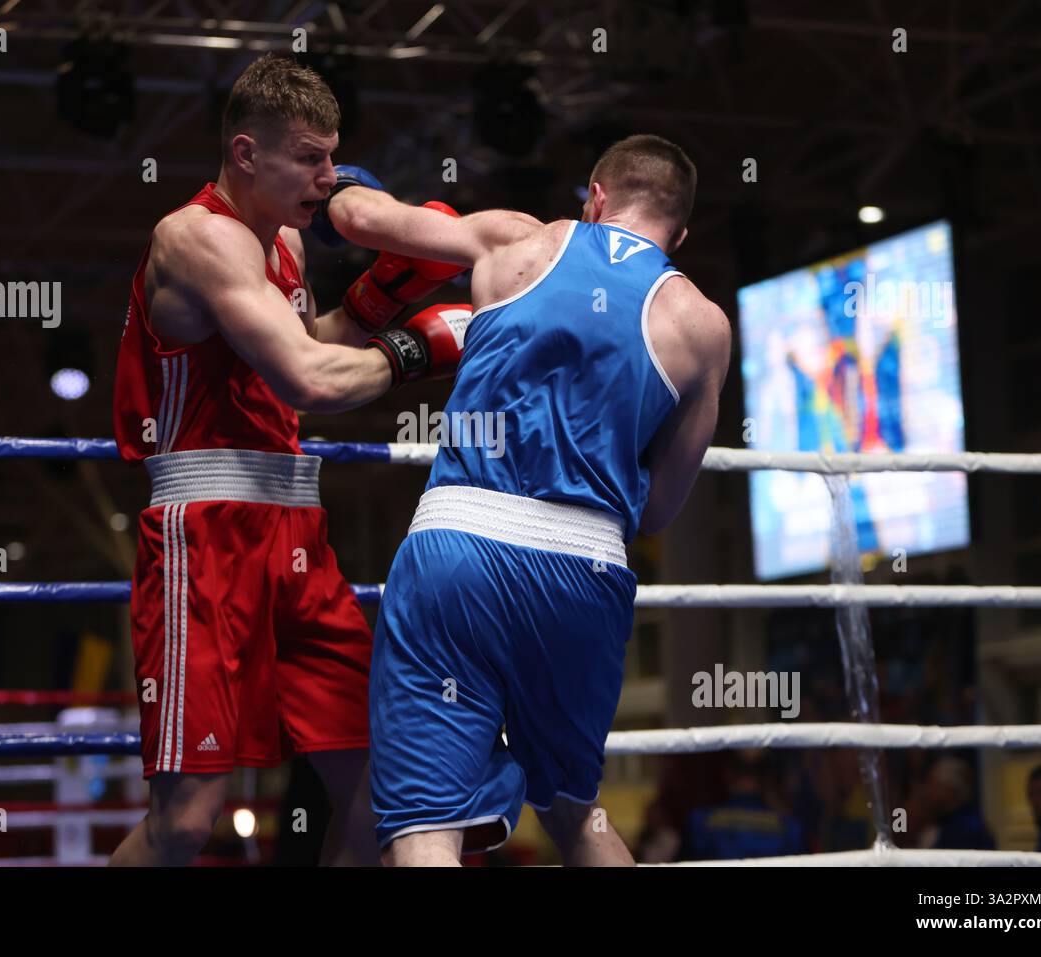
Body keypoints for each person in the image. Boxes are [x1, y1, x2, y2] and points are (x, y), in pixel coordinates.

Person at [319, 133, 732, 865]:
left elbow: (360, 218)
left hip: (461, 549)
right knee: (577, 814)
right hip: (587, 571)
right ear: (682, 230)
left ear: (595, 197)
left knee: (422, 826)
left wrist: (334, 181)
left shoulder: (522, 241)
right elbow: (661, 509)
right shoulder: (703, 325)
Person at [108, 54, 466, 866]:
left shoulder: (291, 246)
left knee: (386, 786)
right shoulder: (194, 238)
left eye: (332, 155)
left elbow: (300, 350)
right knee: (188, 821)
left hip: (297, 531)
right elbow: (308, 377)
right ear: (245, 154)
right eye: (309, 157)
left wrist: (379, 298)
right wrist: (419, 344)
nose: (328, 177)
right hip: (206, 532)